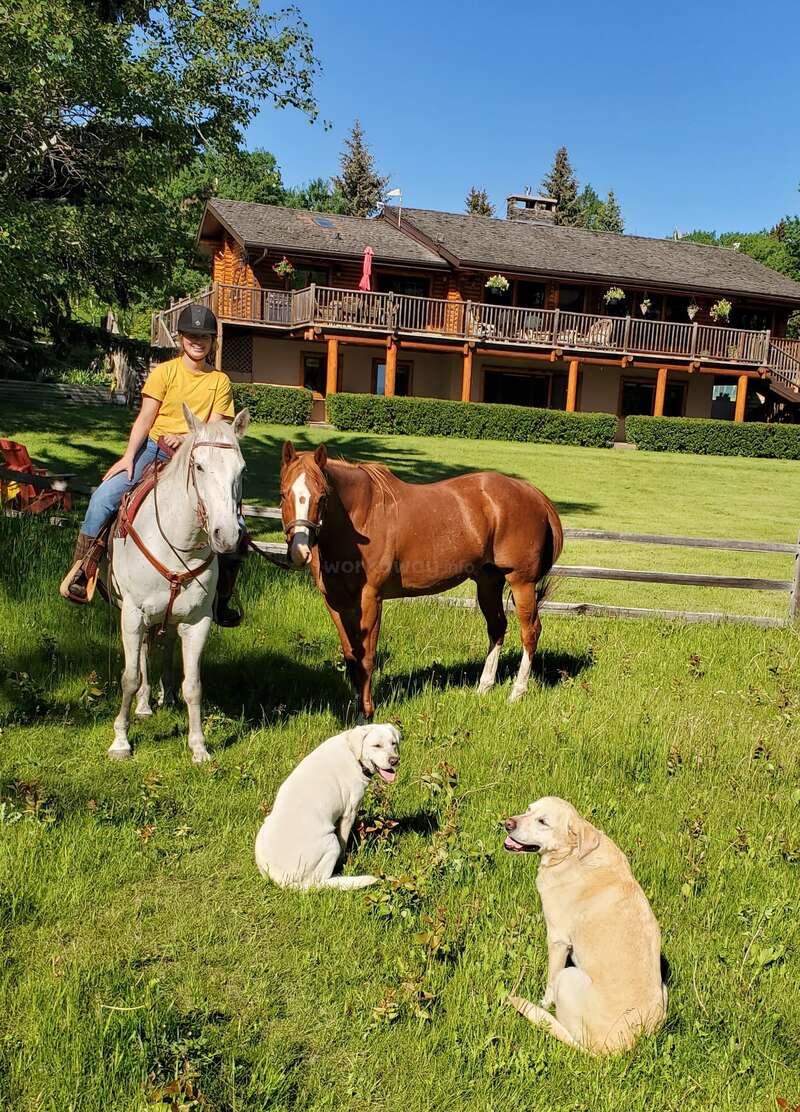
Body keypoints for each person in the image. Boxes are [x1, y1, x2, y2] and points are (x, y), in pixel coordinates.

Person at [60, 303, 244, 626]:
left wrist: (184, 437)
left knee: (235, 524)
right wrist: (128, 457)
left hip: (202, 459)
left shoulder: (220, 382)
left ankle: (222, 598)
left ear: (213, 341)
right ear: (180, 338)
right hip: (154, 453)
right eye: (192, 335)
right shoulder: (164, 373)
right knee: (103, 497)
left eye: (204, 336)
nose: (198, 341)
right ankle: (84, 568)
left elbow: (215, 429)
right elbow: (145, 419)